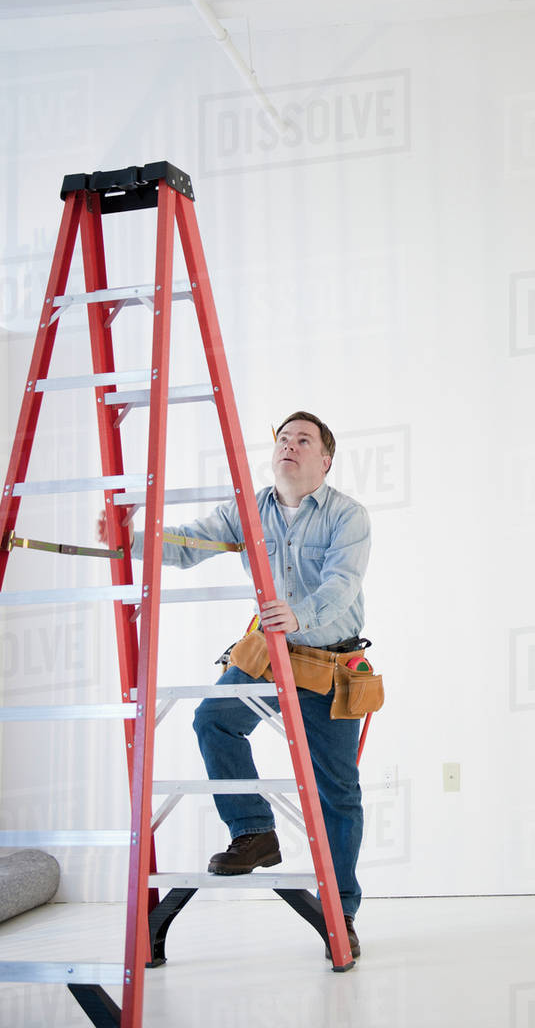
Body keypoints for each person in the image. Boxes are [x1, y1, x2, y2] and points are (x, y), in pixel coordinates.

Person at [98, 411, 370, 959]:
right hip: (268, 650)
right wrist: (131, 538)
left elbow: (342, 587)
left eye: (304, 440)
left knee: (336, 790)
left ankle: (340, 910)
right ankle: (254, 832)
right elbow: (187, 544)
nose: (289, 446)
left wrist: (299, 614)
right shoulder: (246, 510)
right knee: (214, 720)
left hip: (328, 659)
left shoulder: (349, 516)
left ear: (326, 459)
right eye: (284, 439)